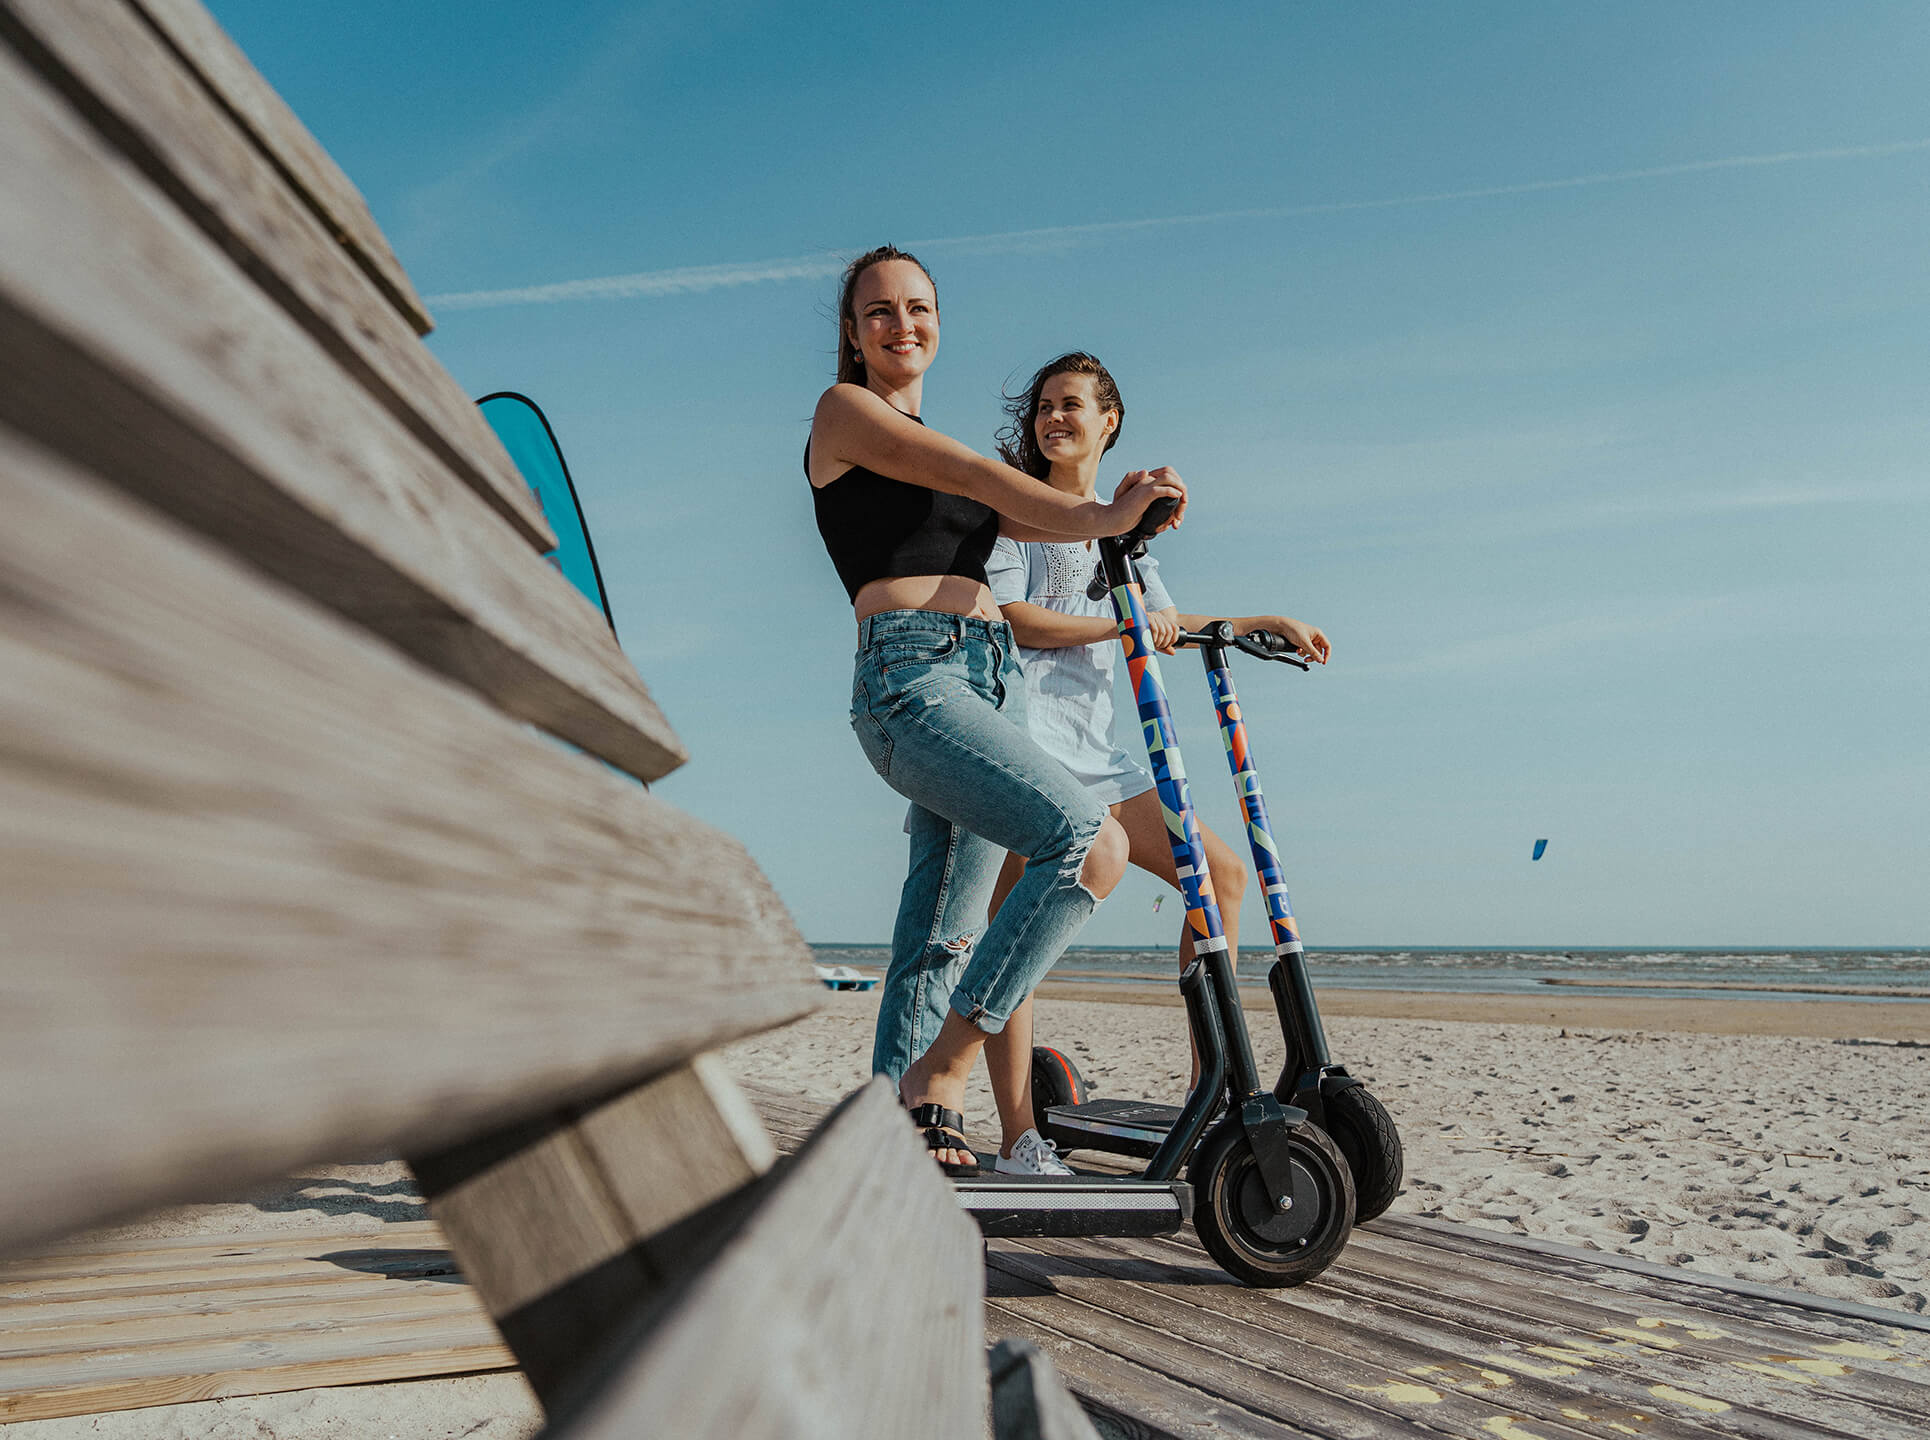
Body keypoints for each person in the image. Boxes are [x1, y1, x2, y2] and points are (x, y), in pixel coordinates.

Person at [807, 251, 1188, 1175]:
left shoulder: (948, 460)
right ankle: (945, 1071)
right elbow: (994, 484)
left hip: (986, 678)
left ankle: (889, 1135)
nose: (904, 325)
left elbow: (1039, 513)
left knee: (942, 924)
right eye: (881, 312)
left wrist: (1127, 511)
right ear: (854, 335)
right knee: (1089, 846)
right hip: (912, 678)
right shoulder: (845, 414)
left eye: (921, 308)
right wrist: (1105, 517)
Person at [974, 352, 1330, 1176]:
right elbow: (1015, 620)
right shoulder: (1018, 517)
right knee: (1016, 940)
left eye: (1073, 405)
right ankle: (1019, 1136)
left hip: (1103, 757)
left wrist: (1257, 621)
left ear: (1110, 422)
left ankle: (1215, 1091)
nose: (1054, 418)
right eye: (1044, 408)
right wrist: (1120, 630)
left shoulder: (1122, 532)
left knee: (1222, 876)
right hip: (1033, 749)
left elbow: (1166, 618)